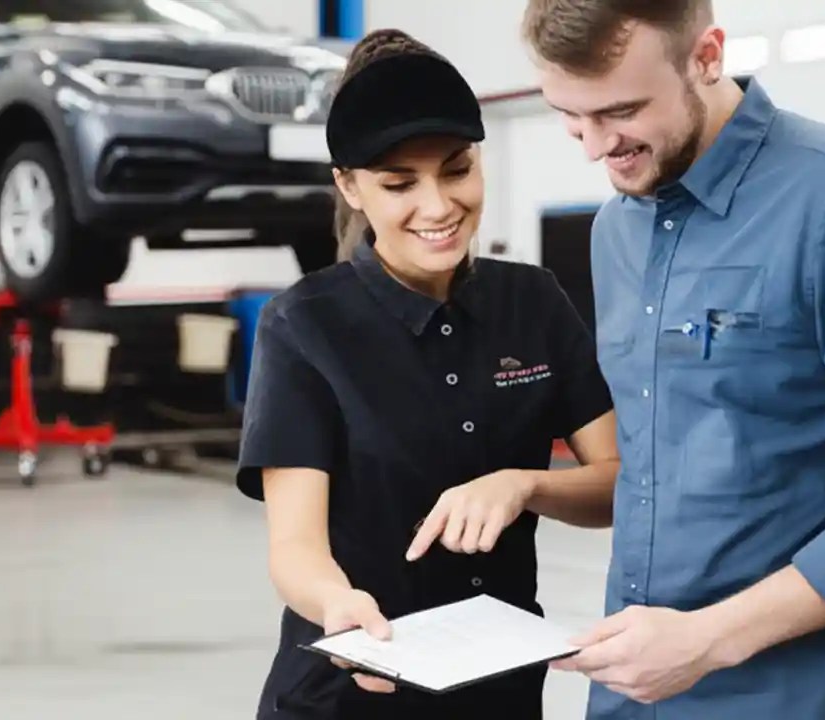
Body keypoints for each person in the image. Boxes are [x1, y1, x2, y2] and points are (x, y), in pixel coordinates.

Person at [518, 1, 825, 719]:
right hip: (637, 687)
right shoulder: (618, 229)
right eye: (570, 115)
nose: (594, 146)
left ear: (707, 57)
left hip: (798, 697)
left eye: (621, 111)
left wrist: (707, 640)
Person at [235, 28, 621, 720]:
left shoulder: (533, 303)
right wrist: (336, 603)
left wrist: (525, 485)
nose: (438, 206)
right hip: (346, 698)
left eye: (456, 170)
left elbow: (620, 485)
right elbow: (294, 547)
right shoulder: (303, 327)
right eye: (399, 184)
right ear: (349, 186)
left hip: (499, 694)